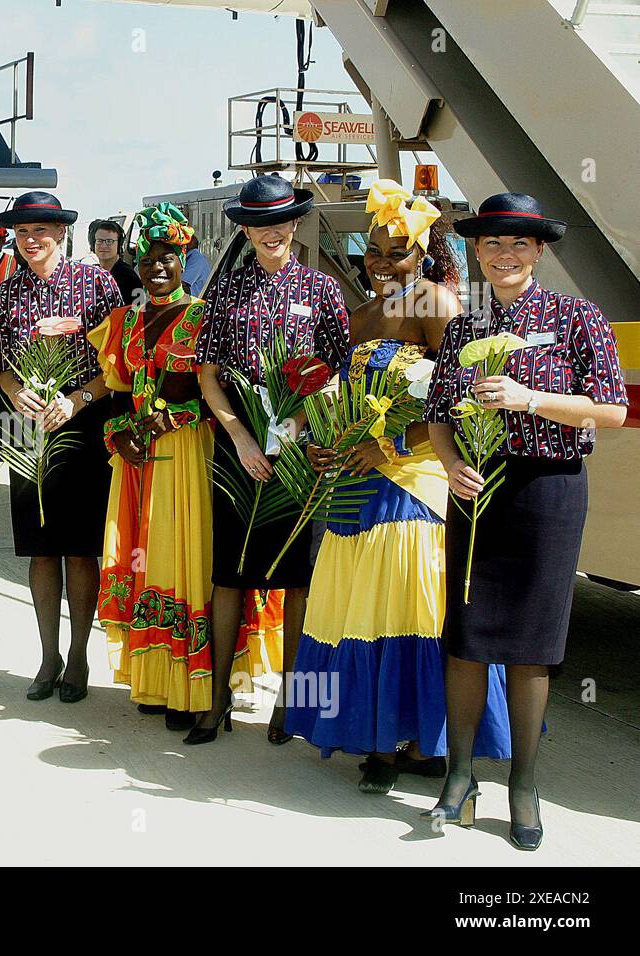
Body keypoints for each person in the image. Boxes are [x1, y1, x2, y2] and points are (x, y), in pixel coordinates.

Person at [286, 180, 512, 791]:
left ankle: (418, 742)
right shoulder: (356, 316)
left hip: (415, 479)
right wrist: (312, 440)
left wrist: (387, 445)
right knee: (360, 605)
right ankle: (377, 736)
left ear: (423, 254)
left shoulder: (438, 305)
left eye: (396, 253)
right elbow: (326, 392)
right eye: (374, 252)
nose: (383, 264)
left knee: (412, 606)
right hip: (354, 483)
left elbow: (463, 400)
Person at [423, 192, 628, 850]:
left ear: (539, 251)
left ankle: (524, 783)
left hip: (548, 491)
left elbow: (613, 411)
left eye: (517, 243)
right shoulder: (464, 324)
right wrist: (451, 464)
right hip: (476, 491)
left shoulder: (576, 316)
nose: (503, 254)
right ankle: (458, 776)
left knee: (533, 647)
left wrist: (529, 397)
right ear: (475, 253)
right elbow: (437, 415)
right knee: (467, 635)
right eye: (490, 244)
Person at [192, 174, 350, 745]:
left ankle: (290, 704)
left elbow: (338, 372)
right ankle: (216, 702)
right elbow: (207, 375)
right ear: (246, 229)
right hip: (240, 456)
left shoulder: (324, 290)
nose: (270, 232)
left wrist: (296, 426)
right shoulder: (226, 290)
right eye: (258, 224)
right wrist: (241, 437)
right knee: (229, 577)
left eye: (279, 221)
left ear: (295, 223)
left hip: (303, 456)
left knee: (296, 582)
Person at [91, 204, 253, 733]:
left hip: (189, 455)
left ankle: (198, 686)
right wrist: (117, 434)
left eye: (169, 258)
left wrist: (168, 421)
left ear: (186, 260)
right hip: (135, 459)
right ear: (136, 265)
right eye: (149, 259)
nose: (158, 266)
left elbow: (224, 394)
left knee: (184, 558)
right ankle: (157, 680)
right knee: (142, 564)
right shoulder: (125, 321)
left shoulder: (206, 316)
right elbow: (117, 394)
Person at [0, 191, 125, 702]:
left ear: (62, 234)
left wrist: (76, 400)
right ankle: (47, 656)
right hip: (26, 431)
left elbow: (118, 368)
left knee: (79, 549)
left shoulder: (97, 285)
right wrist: (14, 391)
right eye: (23, 232)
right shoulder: (6, 295)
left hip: (83, 429)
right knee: (40, 549)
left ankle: (77, 657)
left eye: (41, 232)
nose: (31, 241)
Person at [90, 218, 141, 305]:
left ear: (119, 245)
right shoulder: (94, 273)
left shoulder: (129, 277)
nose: (104, 245)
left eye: (109, 241)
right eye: (99, 241)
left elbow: (140, 309)